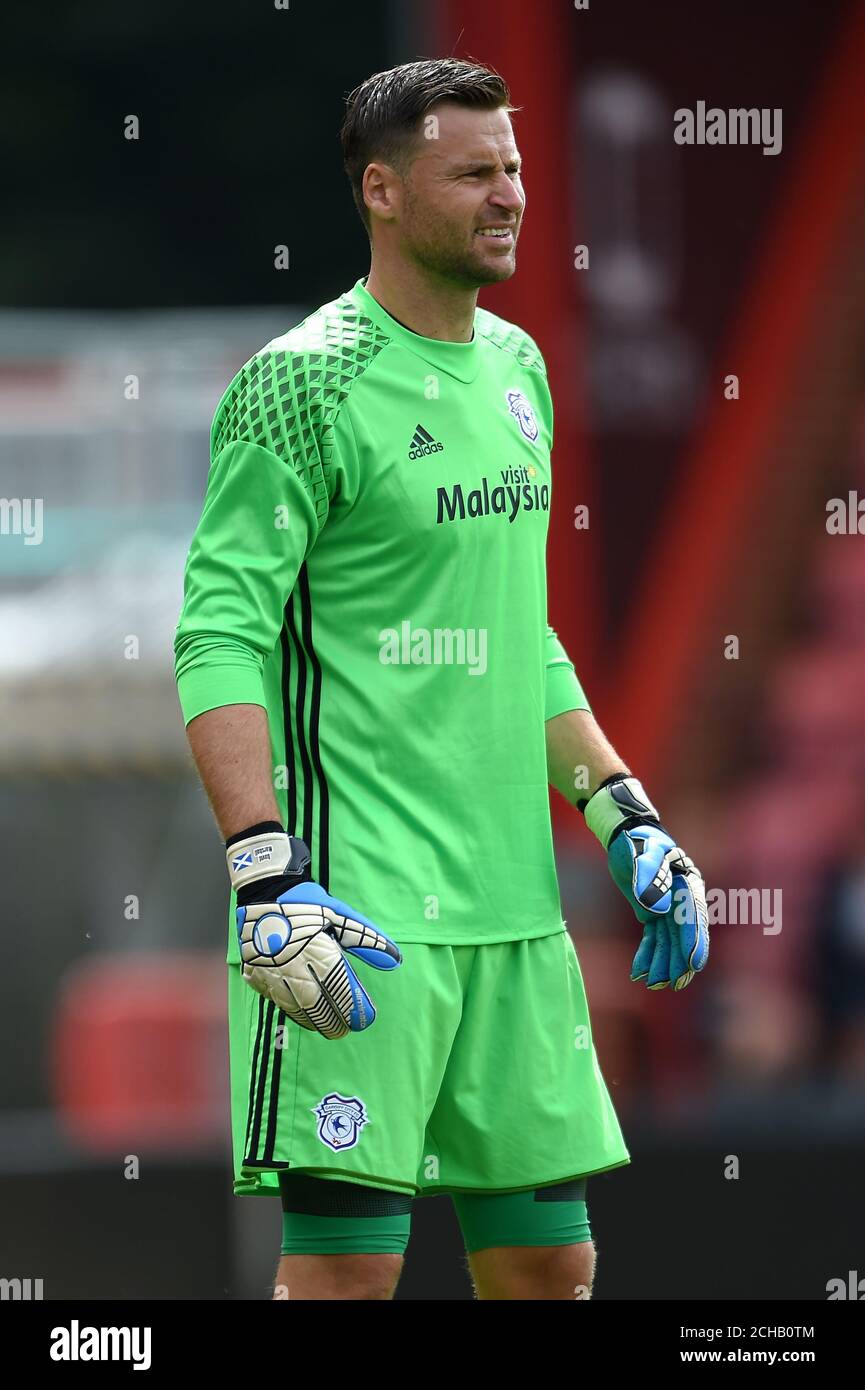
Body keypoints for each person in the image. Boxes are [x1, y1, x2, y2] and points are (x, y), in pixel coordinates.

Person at [173, 57, 708, 1301]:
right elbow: (218, 636)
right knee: (349, 1282)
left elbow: (519, 635)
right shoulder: (299, 383)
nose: (508, 194)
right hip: (360, 915)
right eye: (472, 172)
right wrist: (263, 870)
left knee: (547, 1264)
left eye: (512, 167)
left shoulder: (521, 370)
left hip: (514, 917)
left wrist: (622, 812)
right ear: (380, 190)